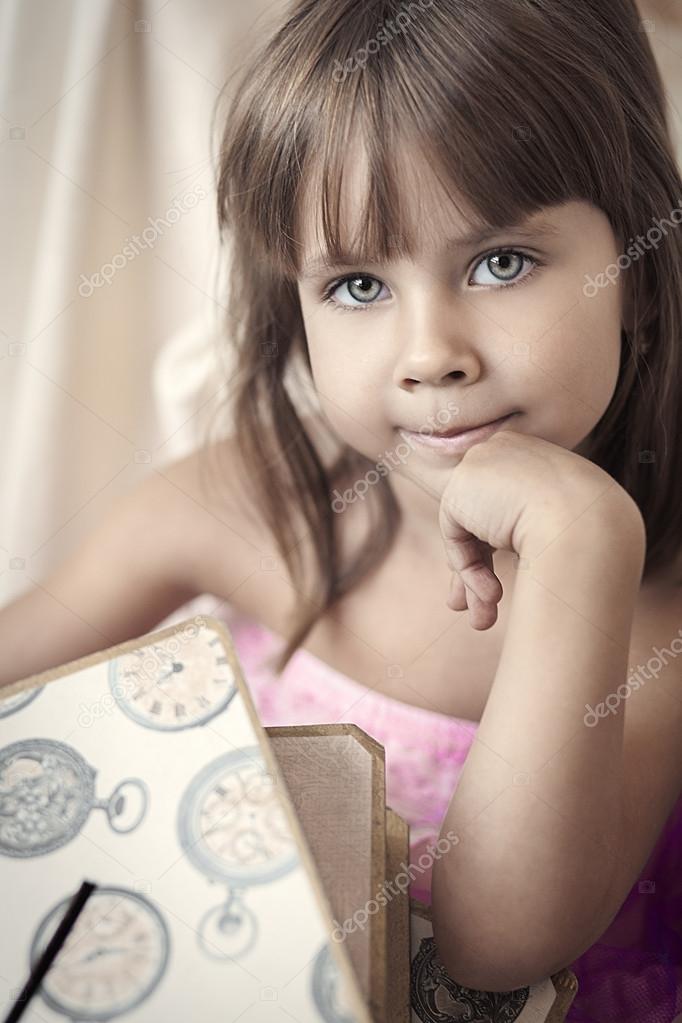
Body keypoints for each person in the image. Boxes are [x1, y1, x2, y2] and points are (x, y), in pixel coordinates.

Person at [2, 0, 682, 1017]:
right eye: (359, 285)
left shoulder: (658, 613)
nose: (429, 354)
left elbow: (497, 947)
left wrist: (581, 542)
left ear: (635, 266)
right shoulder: (248, 505)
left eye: (501, 262)